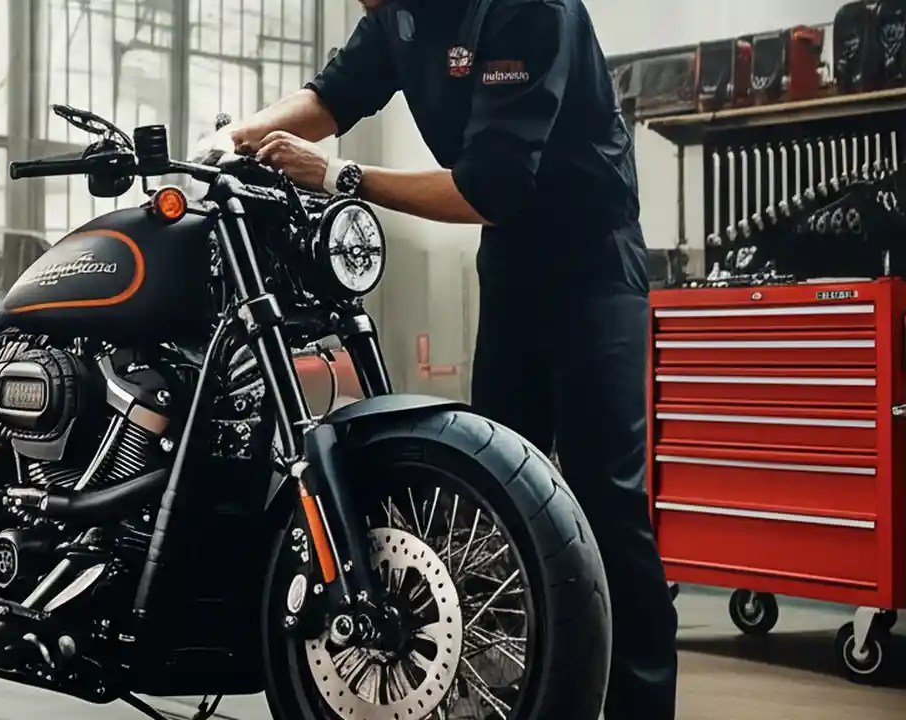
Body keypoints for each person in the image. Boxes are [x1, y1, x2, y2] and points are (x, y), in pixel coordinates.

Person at [214, 0, 678, 717]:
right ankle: (503, 691)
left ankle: (639, 708)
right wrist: (238, 137)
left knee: (605, 502)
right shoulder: (392, 15)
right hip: (513, 263)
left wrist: (339, 177)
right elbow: (329, 98)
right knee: (490, 497)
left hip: (592, 263)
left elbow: (488, 189)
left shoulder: (527, 11)